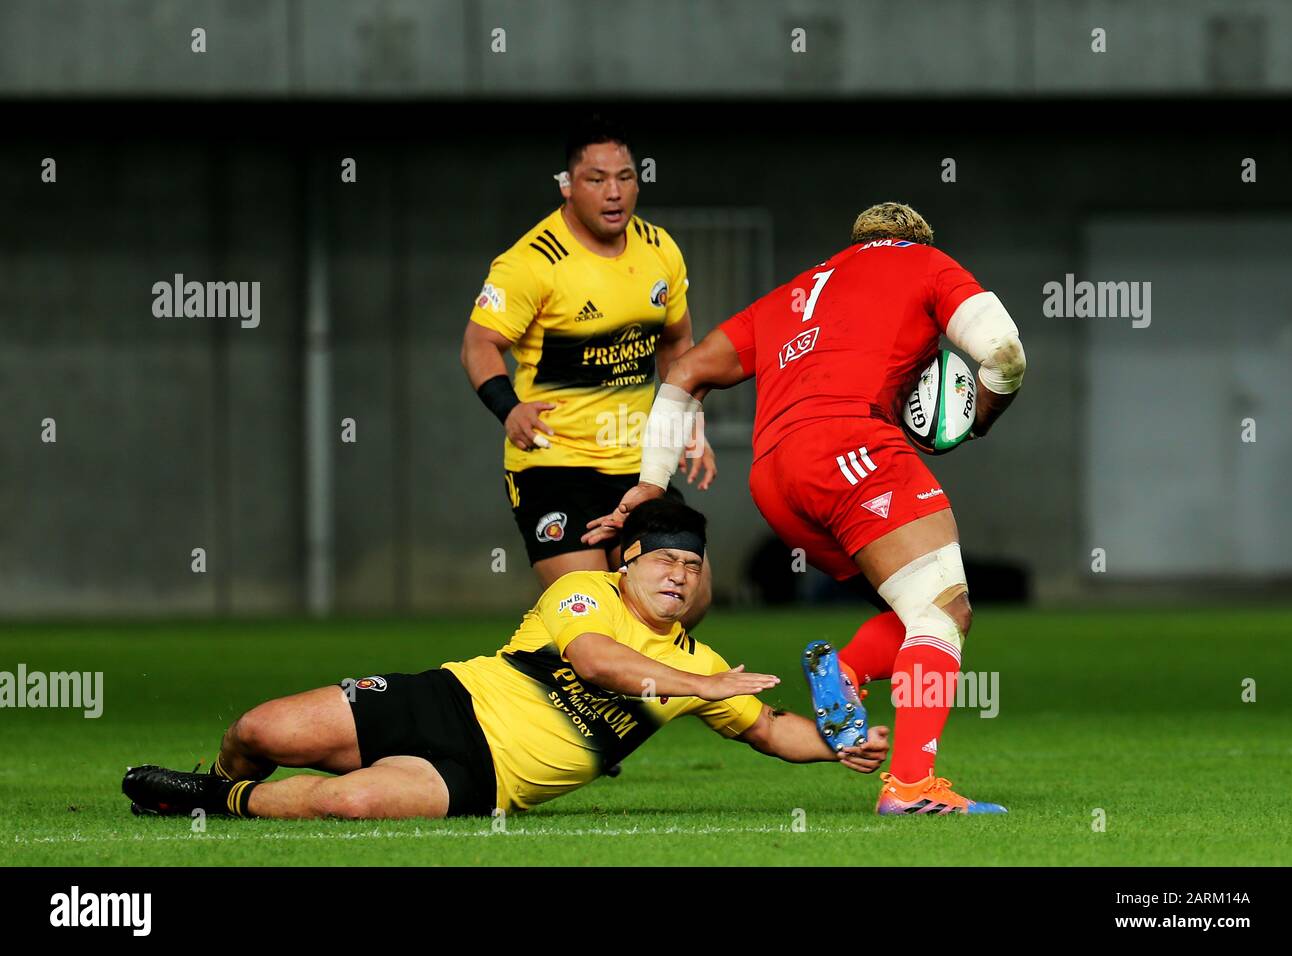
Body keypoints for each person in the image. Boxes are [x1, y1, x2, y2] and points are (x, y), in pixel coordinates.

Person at [583, 202, 1025, 814]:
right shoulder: (924, 263)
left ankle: (846, 672)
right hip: (854, 447)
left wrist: (653, 483)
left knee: (920, 611)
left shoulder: (793, 293)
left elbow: (684, 373)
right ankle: (910, 785)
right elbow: (1004, 353)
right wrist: (980, 418)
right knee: (943, 611)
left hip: (776, 480)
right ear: (913, 240)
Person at [122, 499, 889, 820]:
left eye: (691, 568)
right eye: (662, 562)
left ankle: (211, 806)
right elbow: (595, 664)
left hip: (487, 777)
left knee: (347, 805)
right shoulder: (588, 594)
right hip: (447, 698)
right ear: (625, 563)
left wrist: (840, 745)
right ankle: (217, 778)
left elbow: (771, 729)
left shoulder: (705, 663)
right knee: (260, 730)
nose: (678, 577)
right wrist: (701, 684)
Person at [459, 114, 717, 630]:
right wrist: (509, 410)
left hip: (640, 461)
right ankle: (546, 685)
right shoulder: (530, 262)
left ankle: (615, 688)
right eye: (596, 179)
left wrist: (686, 421)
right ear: (567, 186)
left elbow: (677, 342)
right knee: (594, 617)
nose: (613, 192)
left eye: (625, 177)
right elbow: (478, 344)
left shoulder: (659, 249)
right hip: (556, 464)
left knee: (688, 599)